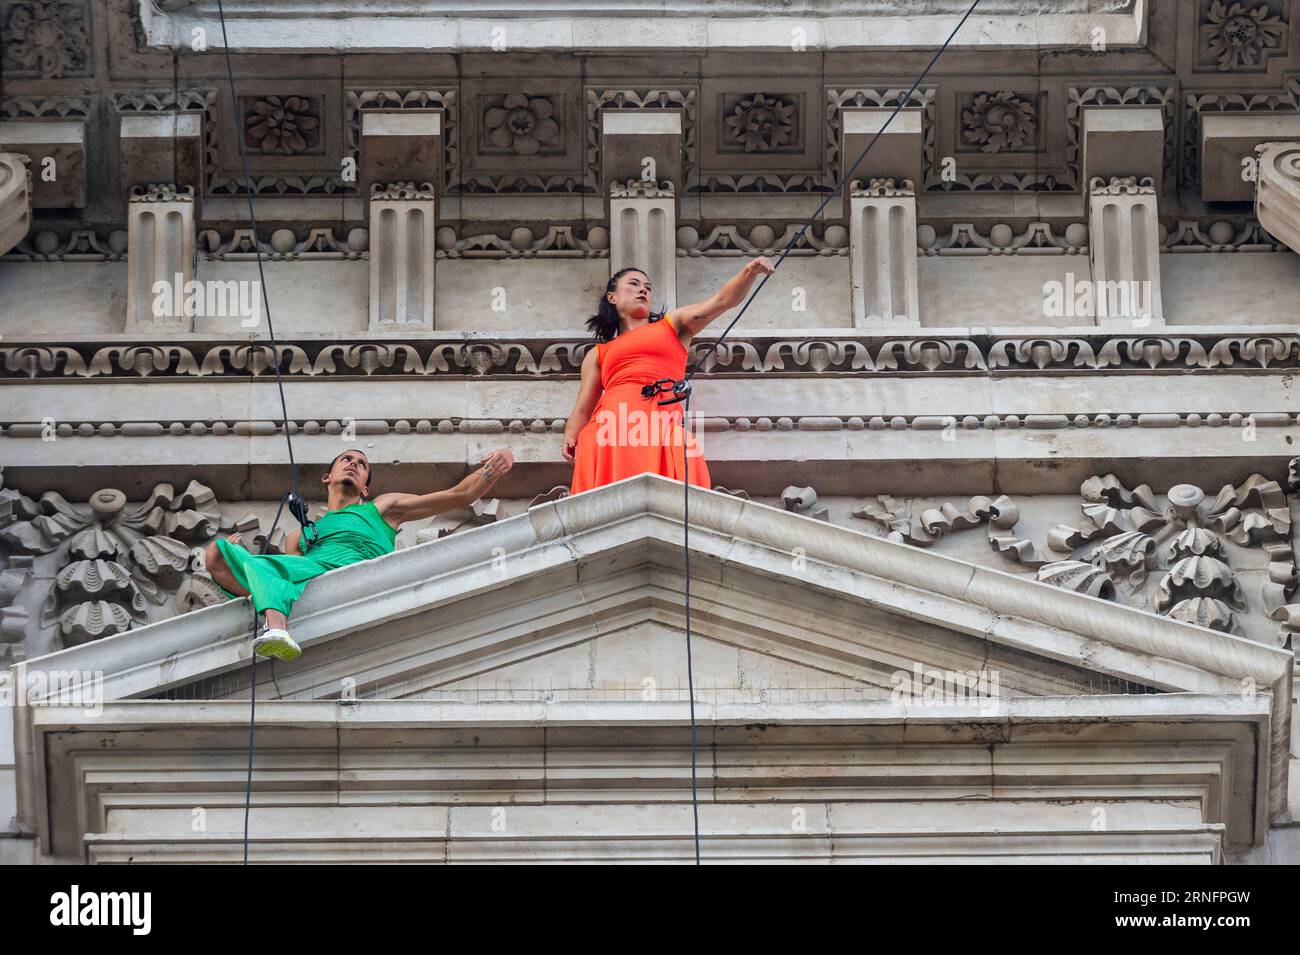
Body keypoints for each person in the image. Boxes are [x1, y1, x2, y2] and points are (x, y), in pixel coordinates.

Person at [204, 447, 514, 661]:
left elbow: (459, 495)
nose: (354, 463)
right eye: (347, 459)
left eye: (361, 464)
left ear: (365, 488)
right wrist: (243, 557)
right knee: (218, 554)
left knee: (265, 569)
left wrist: (494, 468)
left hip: (359, 577)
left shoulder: (382, 508)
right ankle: (276, 626)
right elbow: (290, 575)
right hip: (315, 578)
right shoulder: (300, 536)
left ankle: (275, 626)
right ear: (327, 477)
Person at [565, 259, 775, 494]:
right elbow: (583, 407)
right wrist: (571, 437)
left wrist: (749, 272)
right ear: (611, 297)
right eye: (633, 284)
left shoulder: (672, 326)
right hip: (608, 432)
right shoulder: (598, 354)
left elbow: (721, 301)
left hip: (657, 427)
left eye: (647, 287)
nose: (642, 289)